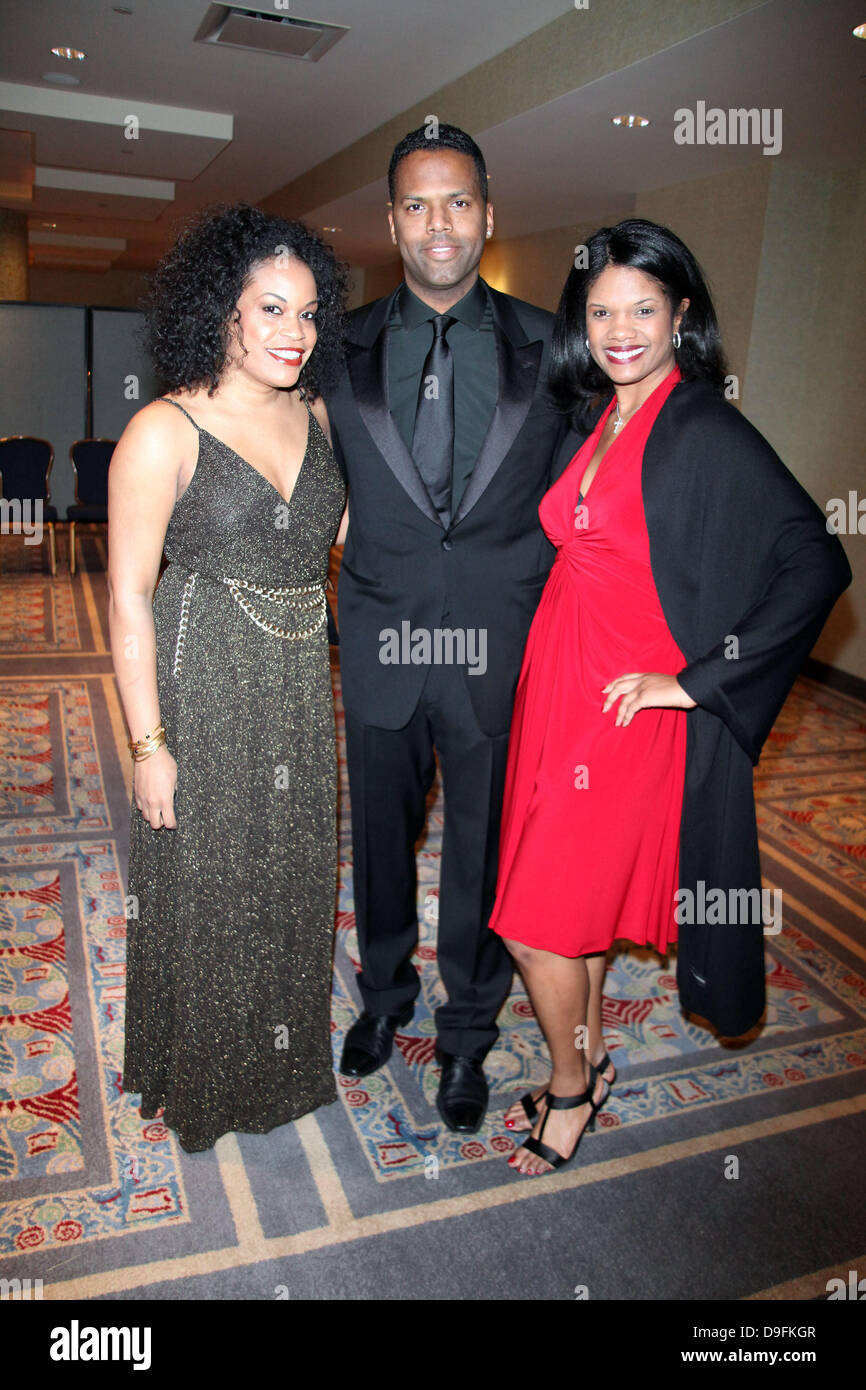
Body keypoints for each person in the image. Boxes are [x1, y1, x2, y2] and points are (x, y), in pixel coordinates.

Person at [487, 218, 851, 1175]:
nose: (619, 329)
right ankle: (594, 1055)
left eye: (642, 309)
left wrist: (699, 682)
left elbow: (816, 560)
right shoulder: (598, 412)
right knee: (575, 907)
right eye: (601, 310)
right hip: (558, 688)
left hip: (621, 710)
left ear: (681, 315)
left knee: (534, 923)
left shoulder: (700, 422)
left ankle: (569, 1094)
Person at [324, 123, 569, 1132]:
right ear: (391, 221)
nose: (439, 223)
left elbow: (582, 493)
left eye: (457, 202)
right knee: (380, 840)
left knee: (482, 849)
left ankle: (467, 1032)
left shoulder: (550, 345)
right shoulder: (333, 349)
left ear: (487, 214)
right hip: (381, 638)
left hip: (496, 648)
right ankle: (384, 999)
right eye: (418, 204)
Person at [109, 205, 348, 1152]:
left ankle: (280, 1062)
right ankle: (199, 1071)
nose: (296, 333)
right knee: (210, 883)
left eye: (311, 313)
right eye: (272, 310)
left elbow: (338, 540)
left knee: (289, 872)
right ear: (223, 314)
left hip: (295, 675)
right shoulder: (164, 430)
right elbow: (127, 598)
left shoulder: (319, 413)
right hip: (201, 671)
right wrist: (146, 744)